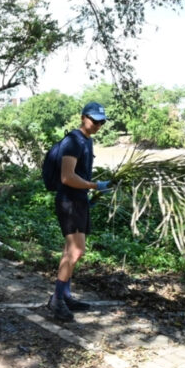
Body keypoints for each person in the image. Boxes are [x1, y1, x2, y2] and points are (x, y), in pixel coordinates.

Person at [47, 102, 112, 322]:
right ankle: (56, 300)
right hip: (69, 202)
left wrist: (89, 194)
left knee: (70, 251)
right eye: (95, 120)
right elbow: (67, 177)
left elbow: (79, 175)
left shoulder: (87, 141)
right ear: (83, 117)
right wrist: (95, 186)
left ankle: (65, 295)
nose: (98, 125)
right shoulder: (74, 141)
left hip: (79, 200)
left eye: (101, 121)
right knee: (76, 252)